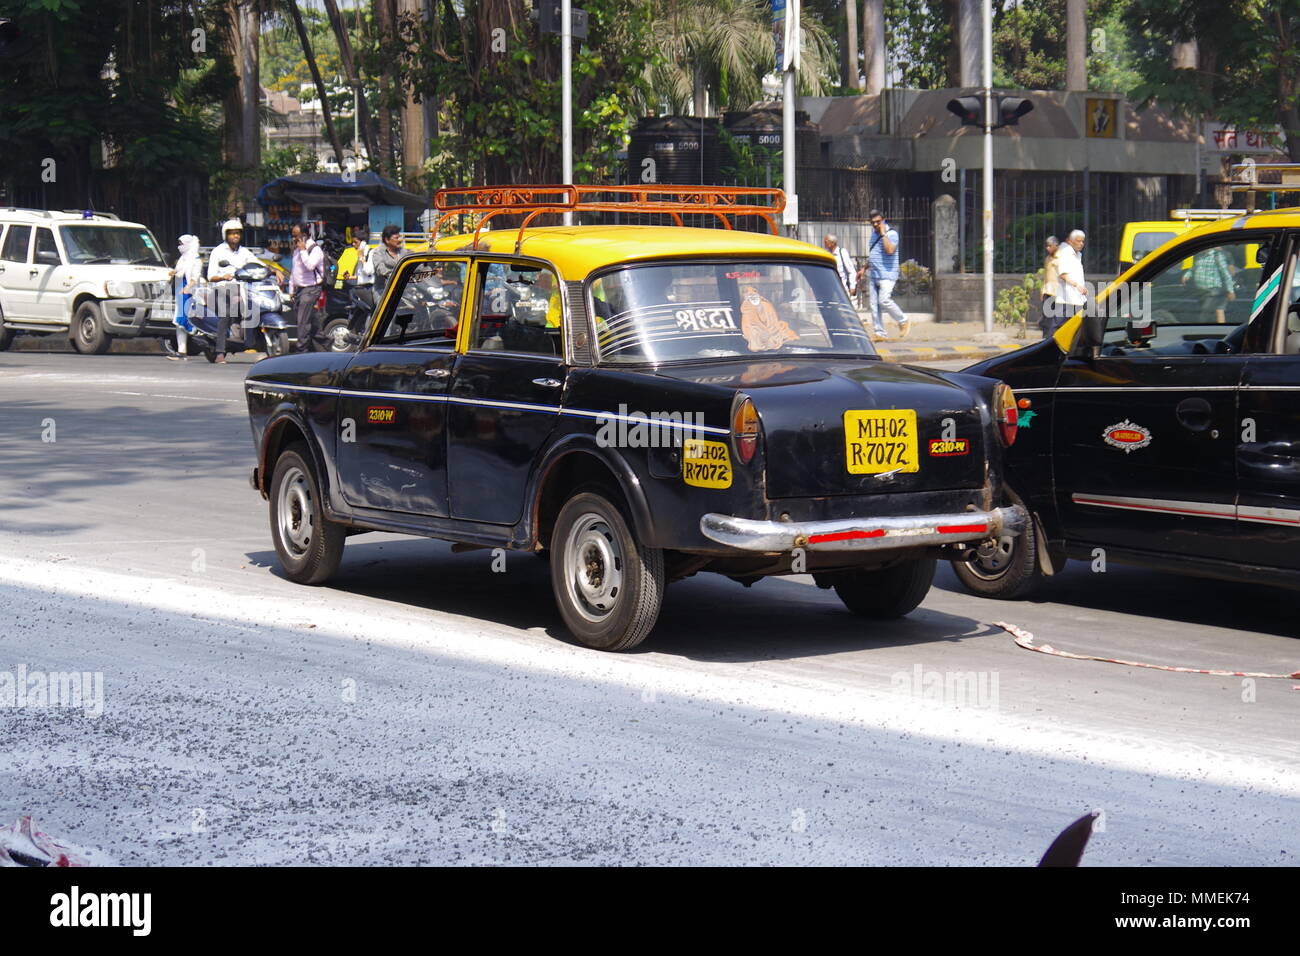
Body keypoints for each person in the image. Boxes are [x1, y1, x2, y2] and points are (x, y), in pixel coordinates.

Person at [206, 218, 259, 364]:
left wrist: (273, 270)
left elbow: (257, 263)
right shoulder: (218, 252)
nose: (235, 236)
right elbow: (210, 276)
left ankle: (252, 342)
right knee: (226, 314)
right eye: (232, 233)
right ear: (226, 235)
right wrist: (223, 277)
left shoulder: (244, 252)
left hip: (241, 289)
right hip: (221, 289)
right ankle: (220, 353)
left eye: (238, 233)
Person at [862, 209, 910, 339]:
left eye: (878, 222)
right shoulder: (873, 235)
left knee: (884, 300)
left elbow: (889, 250)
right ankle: (879, 333)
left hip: (887, 274)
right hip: (874, 274)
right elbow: (873, 254)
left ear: (883, 220)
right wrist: (864, 268)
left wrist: (883, 234)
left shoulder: (892, 234)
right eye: (873, 223)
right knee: (874, 305)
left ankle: (903, 320)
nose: (876, 225)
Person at [288, 223, 326, 352]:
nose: (294, 239)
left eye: (296, 236)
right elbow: (295, 271)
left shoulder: (314, 249)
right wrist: (292, 289)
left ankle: (301, 351)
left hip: (311, 289)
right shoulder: (297, 250)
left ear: (304, 235)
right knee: (312, 322)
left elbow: (310, 266)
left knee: (302, 322)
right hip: (300, 290)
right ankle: (324, 346)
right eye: (292, 236)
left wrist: (304, 250)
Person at [167, 233, 202, 360]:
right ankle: (182, 351)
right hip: (180, 291)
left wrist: (188, 288)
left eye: (182, 244)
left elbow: (195, 277)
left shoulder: (196, 260)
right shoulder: (183, 259)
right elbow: (179, 271)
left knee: (189, 320)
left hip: (189, 293)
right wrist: (173, 273)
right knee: (179, 321)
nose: (179, 247)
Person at [1184, 244, 1235, 323]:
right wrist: (1187, 275)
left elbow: (1226, 274)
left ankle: (1203, 329)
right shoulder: (1198, 256)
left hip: (1214, 291)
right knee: (1218, 310)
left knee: (1205, 314)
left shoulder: (1217, 256)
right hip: (1200, 291)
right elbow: (1193, 268)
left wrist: (1230, 290)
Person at [1055, 229, 1089, 323]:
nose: (1081, 243)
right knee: (1060, 330)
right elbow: (1062, 274)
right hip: (1066, 300)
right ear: (1070, 241)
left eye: (1083, 241)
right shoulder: (1065, 252)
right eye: (1078, 241)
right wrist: (1077, 285)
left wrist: (1082, 287)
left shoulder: (1077, 254)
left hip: (1076, 299)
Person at [370, 224, 404, 295]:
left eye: (399, 237)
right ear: (387, 240)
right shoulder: (378, 252)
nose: (399, 240)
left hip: (403, 288)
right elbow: (380, 268)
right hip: (383, 290)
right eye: (396, 238)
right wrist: (390, 274)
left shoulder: (403, 251)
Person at [1039, 235, 1061, 336]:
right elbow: (1046, 276)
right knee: (1046, 319)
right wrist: (1042, 291)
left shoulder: (1062, 258)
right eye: (1046, 246)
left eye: (1050, 246)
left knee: (1056, 320)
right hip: (1048, 292)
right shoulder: (1048, 258)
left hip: (1059, 293)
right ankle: (1045, 339)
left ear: (1056, 245)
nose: (1047, 248)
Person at [823, 234, 856, 299]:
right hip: (830, 289)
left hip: (842, 288)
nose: (824, 243)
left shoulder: (842, 252)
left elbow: (851, 271)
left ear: (832, 243)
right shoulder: (826, 253)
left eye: (826, 241)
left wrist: (852, 286)